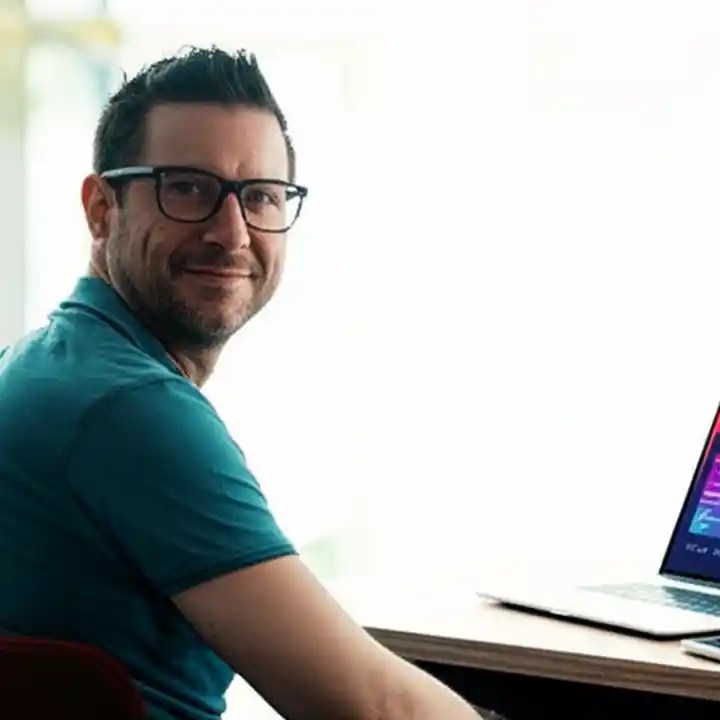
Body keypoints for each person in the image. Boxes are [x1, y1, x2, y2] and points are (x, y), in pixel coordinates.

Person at [0, 47, 487, 720]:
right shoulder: (128, 411)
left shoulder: (43, 367)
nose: (231, 233)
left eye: (259, 196)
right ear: (100, 208)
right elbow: (372, 707)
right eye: (188, 188)